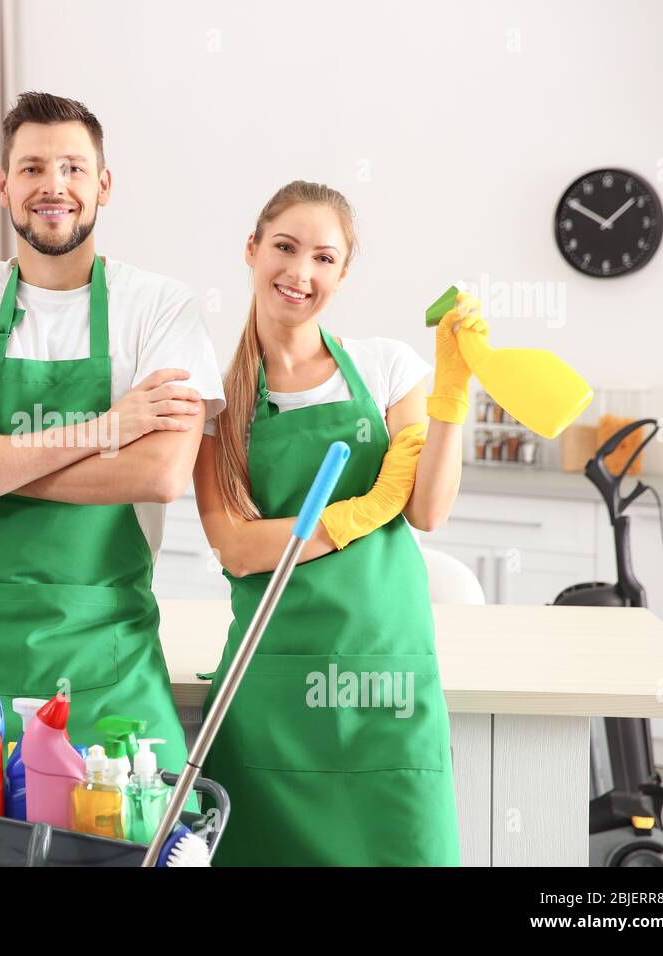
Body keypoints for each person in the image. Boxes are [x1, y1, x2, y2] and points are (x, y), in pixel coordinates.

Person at [0, 92, 225, 841]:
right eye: (32, 167)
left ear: (104, 183)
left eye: (74, 167)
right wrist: (106, 430)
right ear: (2, 184)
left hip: (108, 646)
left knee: (143, 843)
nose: (54, 185)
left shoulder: (160, 307)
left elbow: (159, 473)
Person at [194, 180, 487, 865]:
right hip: (273, 684)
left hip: (386, 677)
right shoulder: (216, 399)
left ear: (343, 273)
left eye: (324, 258)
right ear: (252, 249)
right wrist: (360, 512)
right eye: (285, 247)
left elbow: (428, 510)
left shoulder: (387, 368)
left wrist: (450, 397)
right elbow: (236, 548)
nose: (300, 272)